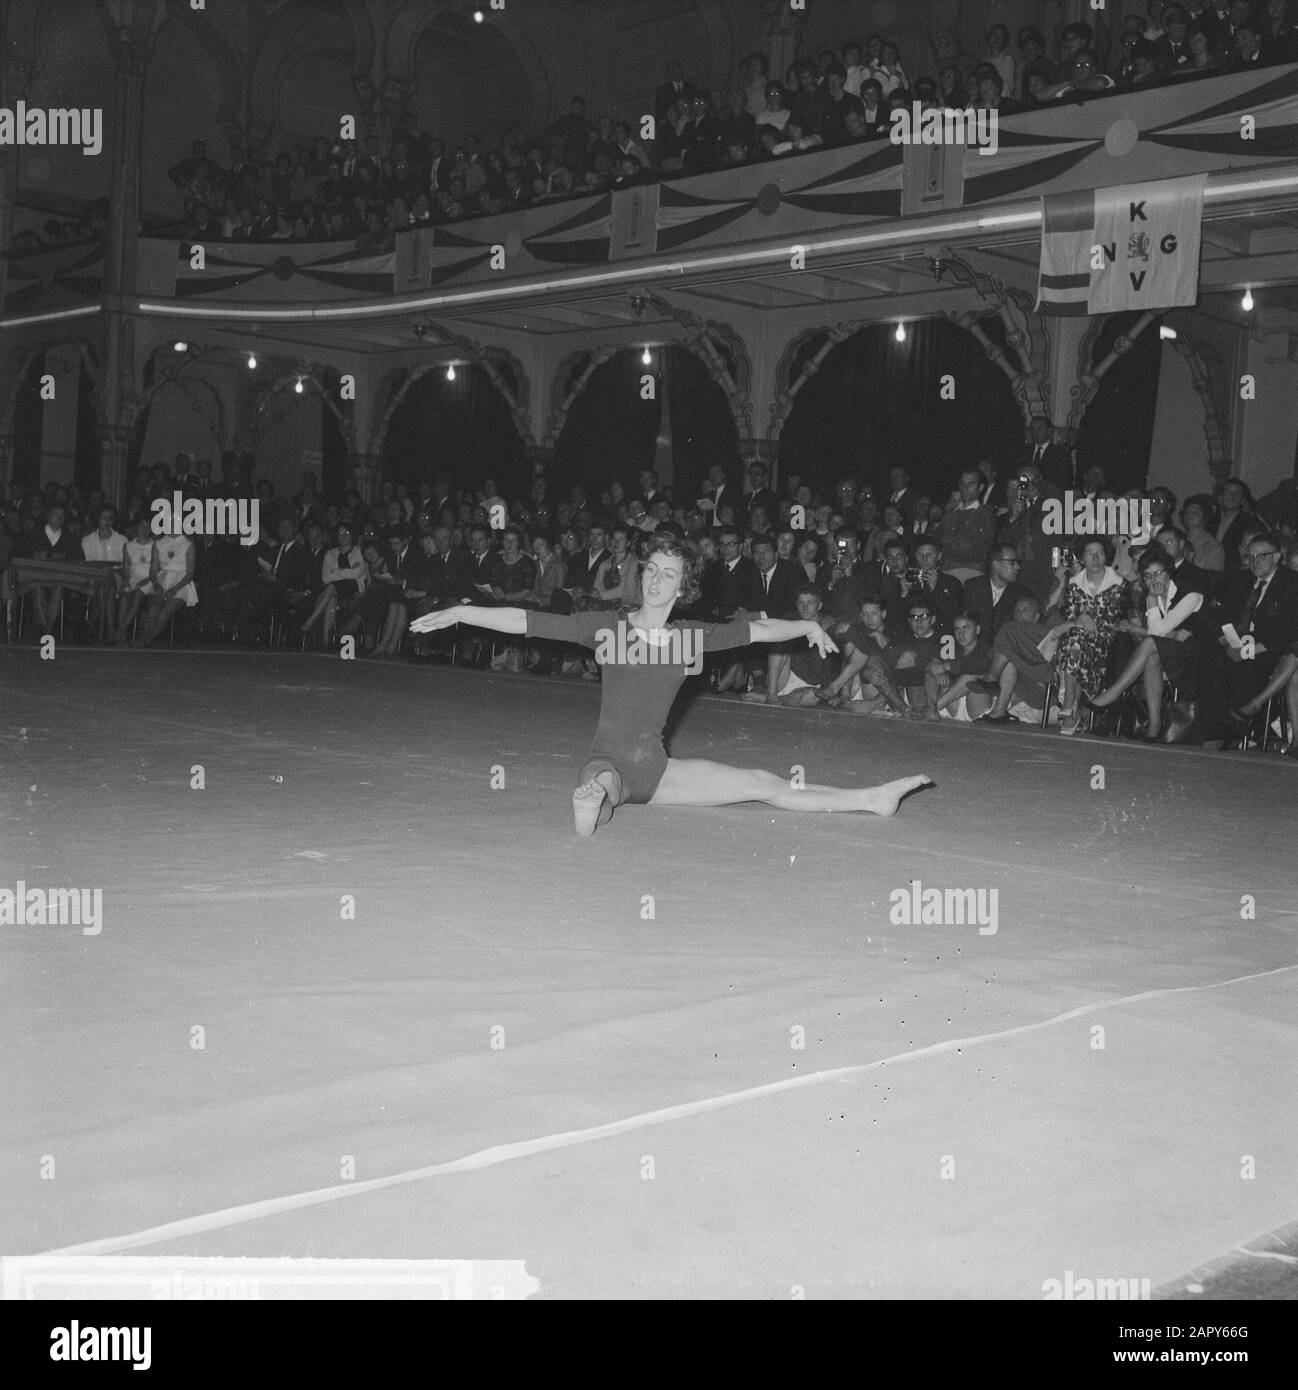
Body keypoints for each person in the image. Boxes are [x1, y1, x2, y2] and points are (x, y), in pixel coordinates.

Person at [410, 534, 931, 835]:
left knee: (761, 784)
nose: (657, 580)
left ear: (684, 587)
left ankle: (871, 799)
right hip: (608, 759)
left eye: (669, 575)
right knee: (605, 781)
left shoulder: (689, 639)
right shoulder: (608, 629)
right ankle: (594, 796)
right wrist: (461, 610)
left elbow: (758, 629)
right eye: (652, 570)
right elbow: (526, 620)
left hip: (658, 773)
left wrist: (809, 625)